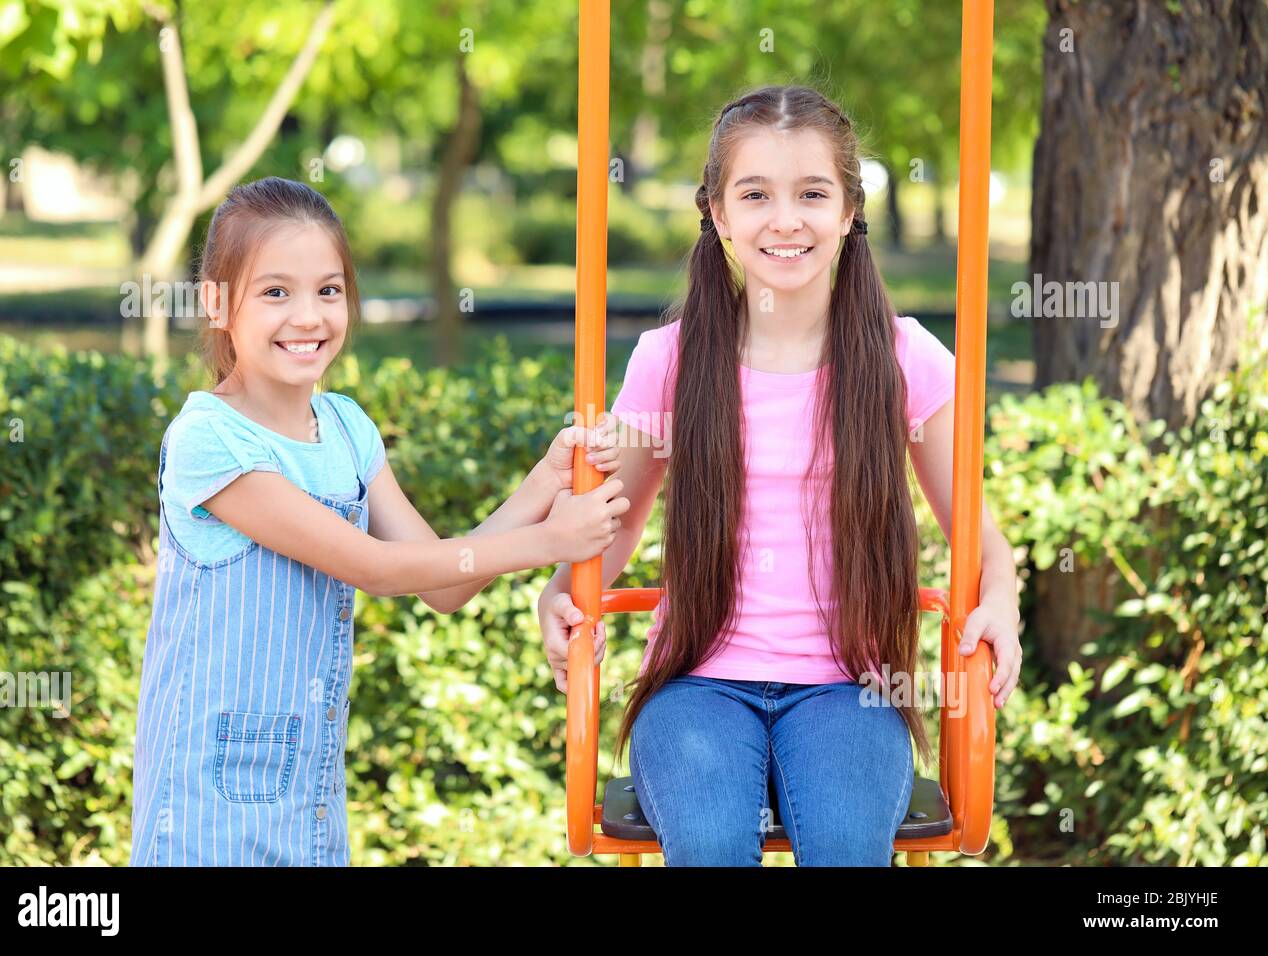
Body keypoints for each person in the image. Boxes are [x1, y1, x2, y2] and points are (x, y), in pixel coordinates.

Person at [536, 86, 1022, 867]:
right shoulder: (671, 360)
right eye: (755, 194)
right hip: (698, 683)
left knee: (844, 844)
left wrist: (1000, 600)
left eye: (812, 194)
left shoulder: (906, 359)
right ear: (719, 213)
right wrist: (565, 589)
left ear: (850, 210)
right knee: (706, 843)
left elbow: (977, 533)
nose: (785, 219)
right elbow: (616, 516)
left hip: (850, 688)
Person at [130, 176, 628, 866]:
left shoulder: (346, 431)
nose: (308, 317)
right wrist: (549, 540)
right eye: (275, 292)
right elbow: (376, 568)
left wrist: (545, 481)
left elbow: (443, 582)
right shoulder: (209, 440)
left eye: (328, 291)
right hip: (209, 796)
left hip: (307, 784)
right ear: (215, 302)